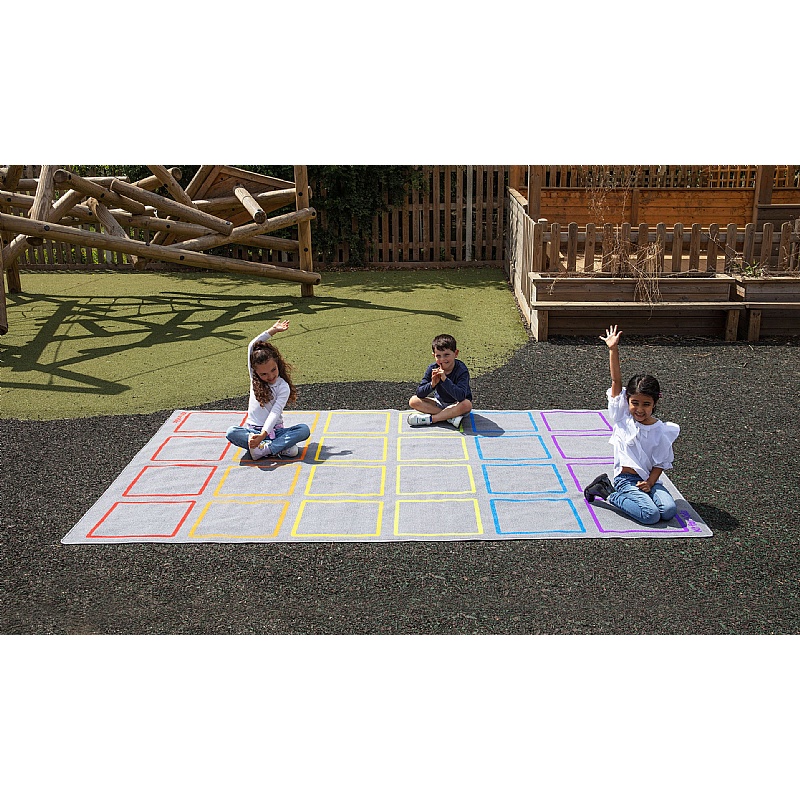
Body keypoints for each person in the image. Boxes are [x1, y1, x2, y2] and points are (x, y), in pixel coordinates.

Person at [583, 324, 680, 525]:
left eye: (646, 404)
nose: (639, 409)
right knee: (650, 515)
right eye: (635, 403)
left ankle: (645, 496)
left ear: (654, 404)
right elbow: (616, 381)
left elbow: (660, 463)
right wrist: (613, 349)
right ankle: (606, 490)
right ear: (627, 401)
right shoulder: (623, 418)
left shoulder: (661, 430)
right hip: (625, 481)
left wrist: (651, 483)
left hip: (648, 480)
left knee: (668, 511)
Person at [225, 319, 310, 461]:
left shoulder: (283, 387)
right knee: (231, 432)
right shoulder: (254, 378)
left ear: (278, 363)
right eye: (264, 374)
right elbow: (252, 345)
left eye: (273, 370)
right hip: (252, 431)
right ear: (256, 372)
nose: (270, 376)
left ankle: (265, 448)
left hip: (275, 431)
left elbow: (275, 413)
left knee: (303, 430)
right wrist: (273, 330)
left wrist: (263, 436)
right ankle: (277, 448)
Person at [407, 333, 473, 429]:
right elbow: (420, 393)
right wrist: (432, 384)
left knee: (467, 405)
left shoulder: (461, 370)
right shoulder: (432, 368)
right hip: (439, 403)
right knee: (413, 401)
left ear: (456, 353)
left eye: (446, 355)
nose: (442, 359)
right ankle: (449, 417)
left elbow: (461, 396)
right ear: (434, 355)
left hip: (457, 405)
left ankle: (432, 419)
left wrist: (445, 380)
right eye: (438, 356)